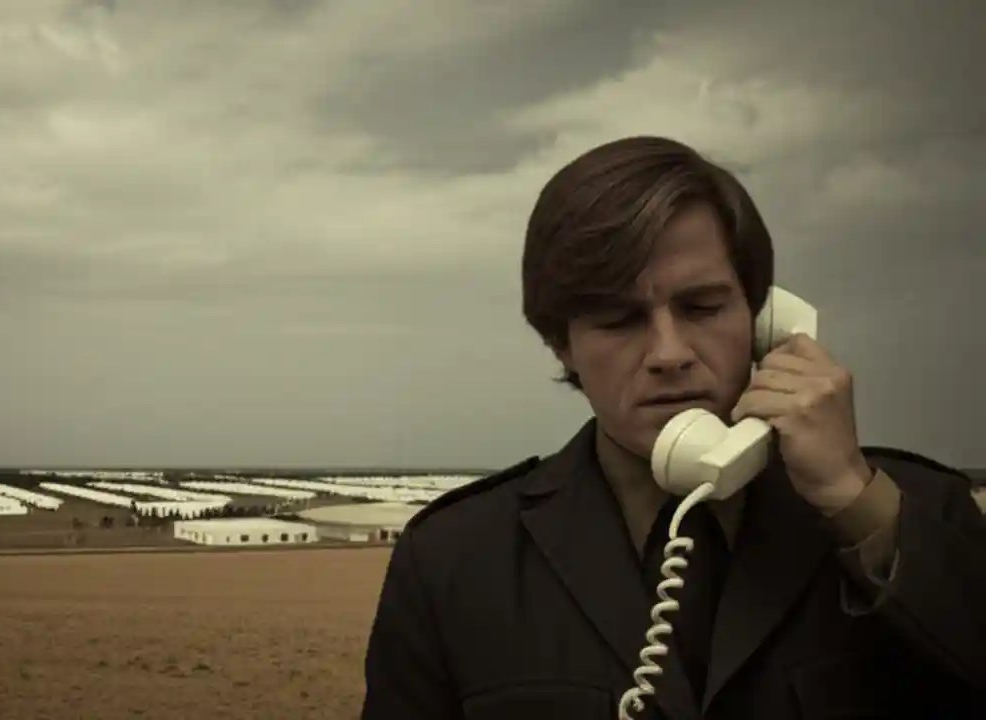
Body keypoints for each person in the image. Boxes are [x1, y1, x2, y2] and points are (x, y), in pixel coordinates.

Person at [360, 136, 985, 720]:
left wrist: (852, 498)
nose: (669, 353)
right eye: (618, 319)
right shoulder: (452, 560)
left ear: (764, 320)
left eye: (703, 307)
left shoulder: (914, 511)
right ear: (561, 343)